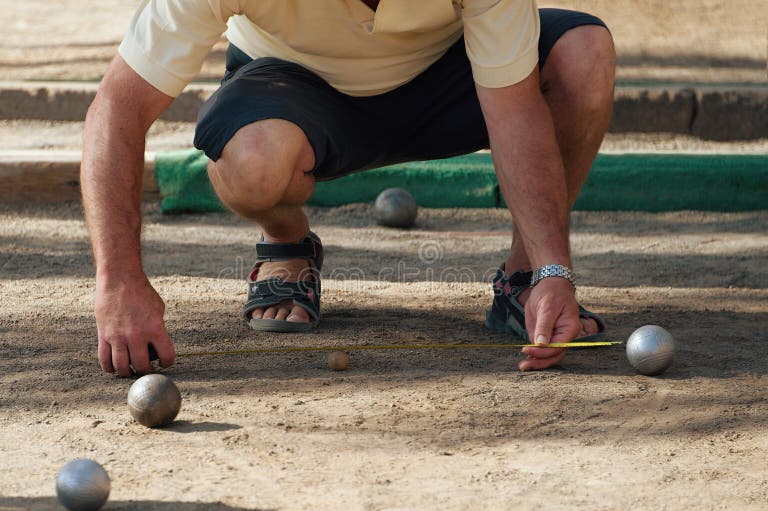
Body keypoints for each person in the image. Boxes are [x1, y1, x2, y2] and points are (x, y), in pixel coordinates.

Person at [81, 0, 616, 377]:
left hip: (446, 74)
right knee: (253, 163)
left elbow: (516, 111)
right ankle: (287, 244)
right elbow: (117, 110)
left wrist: (553, 268)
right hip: (291, 83)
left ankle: (524, 283)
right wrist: (119, 281)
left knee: (583, 52)